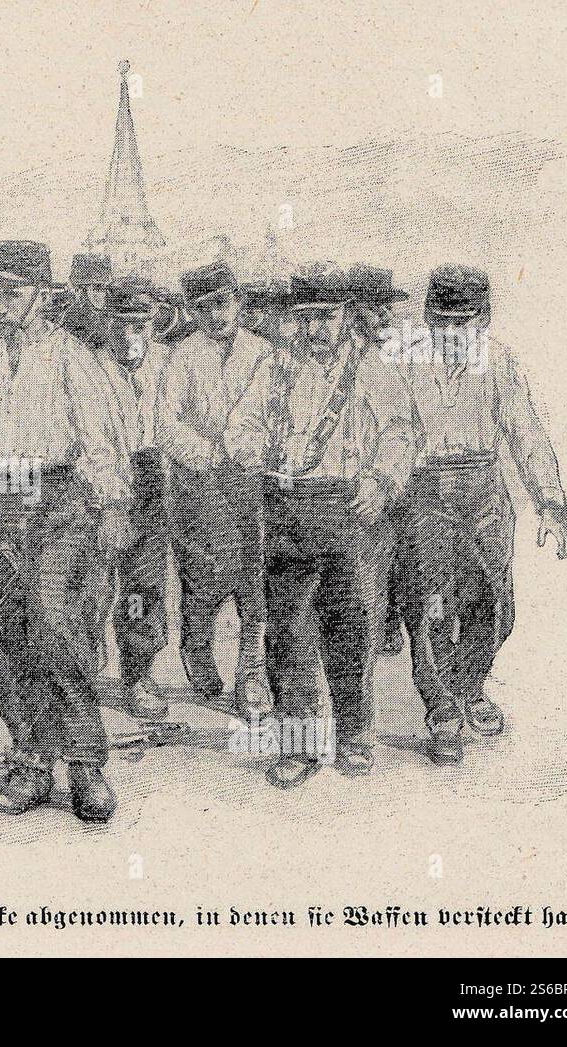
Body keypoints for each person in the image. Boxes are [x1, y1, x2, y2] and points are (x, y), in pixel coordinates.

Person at [0, 239, 133, 822]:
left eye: (15, 290)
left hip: (55, 502)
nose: (2, 300)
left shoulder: (70, 356)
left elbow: (101, 440)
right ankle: (31, 758)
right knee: (0, 637)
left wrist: (111, 507)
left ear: (41, 295)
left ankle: (84, 764)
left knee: (56, 628)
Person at [225, 264, 418, 788]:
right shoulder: (276, 367)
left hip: (346, 509)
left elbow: (401, 433)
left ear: (346, 316)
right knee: (288, 636)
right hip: (287, 509)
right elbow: (240, 429)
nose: (315, 330)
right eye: (305, 317)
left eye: (326, 317)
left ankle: (354, 737)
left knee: (349, 629)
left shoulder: (373, 369)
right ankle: (299, 745)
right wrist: (257, 454)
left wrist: (380, 482)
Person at [391, 265, 567, 765]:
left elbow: (526, 432)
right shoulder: (404, 364)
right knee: (426, 609)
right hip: (424, 492)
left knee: (496, 608)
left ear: (484, 320)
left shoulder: (498, 363)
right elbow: (389, 435)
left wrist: (552, 503)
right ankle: (443, 711)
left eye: (463, 322)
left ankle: (469, 686)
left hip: (484, 495)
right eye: (439, 321)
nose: (450, 334)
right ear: (427, 320)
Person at [156, 261, 274, 716]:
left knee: (254, 585)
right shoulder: (182, 356)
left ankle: (250, 675)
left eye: (222, 304)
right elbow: (167, 423)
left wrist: (249, 451)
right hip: (198, 488)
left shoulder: (265, 354)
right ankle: (200, 658)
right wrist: (206, 454)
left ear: (238, 302)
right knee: (201, 585)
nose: (216, 316)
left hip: (250, 486)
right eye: (204, 309)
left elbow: (275, 415)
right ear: (193, 312)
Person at [90, 275, 173, 718]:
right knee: (93, 583)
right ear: (106, 324)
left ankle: (137, 673)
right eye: (120, 324)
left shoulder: (169, 364)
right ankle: (82, 667)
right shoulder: (87, 369)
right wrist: (109, 500)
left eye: (139, 325)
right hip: (98, 484)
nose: (129, 335)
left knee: (143, 585)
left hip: (152, 479)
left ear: (154, 323)